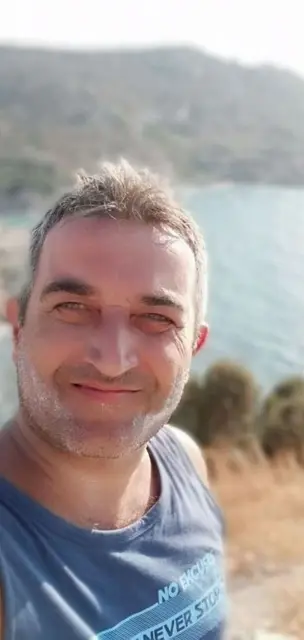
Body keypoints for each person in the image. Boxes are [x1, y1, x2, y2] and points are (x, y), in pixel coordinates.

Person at [0, 160, 226, 639]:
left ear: (194, 346)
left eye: (156, 318)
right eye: (73, 307)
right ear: (18, 328)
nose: (112, 361)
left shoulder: (184, 462)